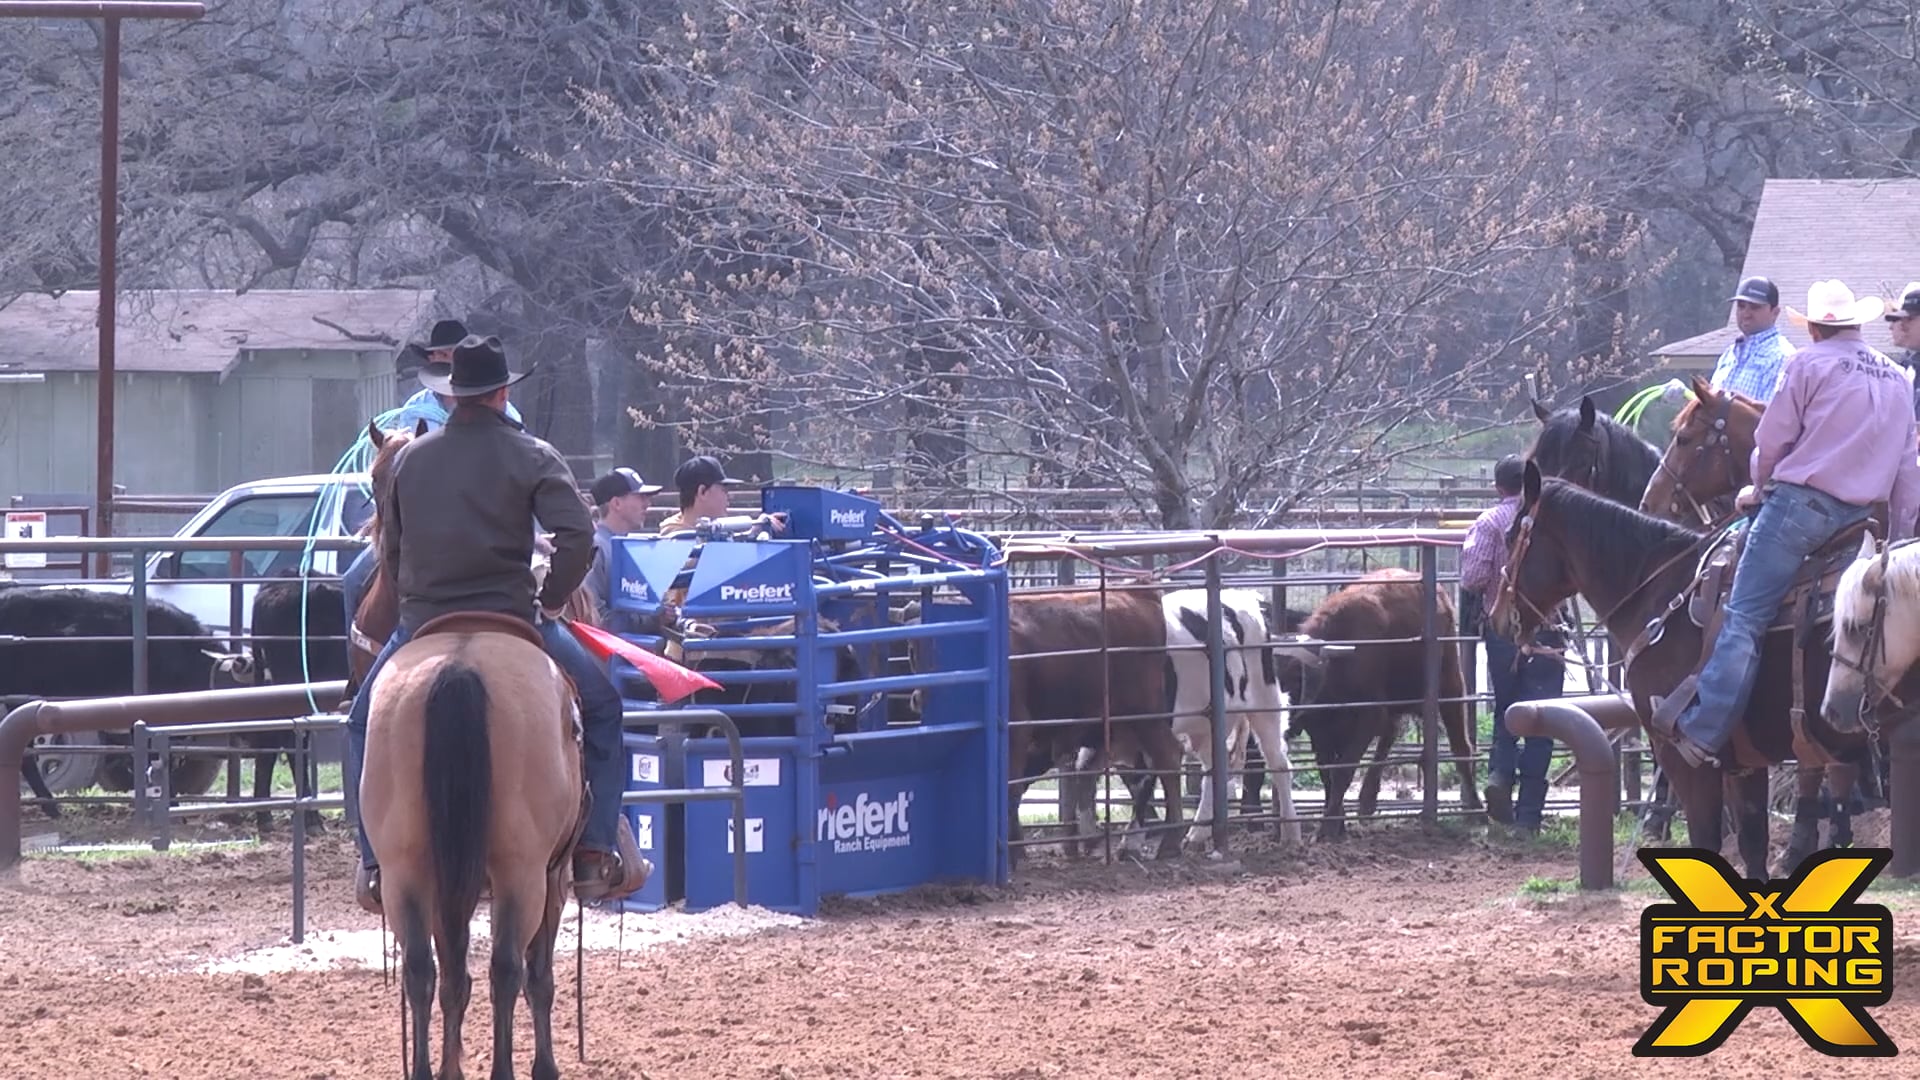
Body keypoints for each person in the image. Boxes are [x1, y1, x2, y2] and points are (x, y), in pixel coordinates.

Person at [343, 335, 648, 915]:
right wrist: (552, 600)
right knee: (604, 708)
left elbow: (393, 551)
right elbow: (578, 537)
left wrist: (417, 601)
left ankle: (375, 859)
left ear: (453, 393)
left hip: (425, 619)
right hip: (512, 611)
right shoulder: (534, 455)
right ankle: (595, 848)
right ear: (502, 392)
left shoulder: (410, 460)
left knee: (361, 721)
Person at [1653, 279, 1920, 769]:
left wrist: (1758, 486)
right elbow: (1907, 470)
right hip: (1864, 521)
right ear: (1857, 325)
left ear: (1813, 328)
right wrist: (1899, 540)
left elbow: (1771, 440)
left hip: (1799, 510)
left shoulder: (1806, 364)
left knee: (1745, 614)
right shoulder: (1897, 379)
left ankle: (1704, 730)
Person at [339, 319, 527, 639]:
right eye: (434, 355)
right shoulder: (416, 409)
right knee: (353, 580)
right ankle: (356, 657)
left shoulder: (509, 416)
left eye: (445, 355)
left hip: (488, 523)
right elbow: (402, 464)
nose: (438, 360)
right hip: (418, 523)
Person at [1458, 454, 1563, 831]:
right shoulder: (1550, 520)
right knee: (1544, 719)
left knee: (1507, 708)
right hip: (1548, 629)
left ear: (1497, 486)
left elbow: (1472, 577)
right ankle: (1529, 817)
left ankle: (1500, 776)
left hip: (1503, 629)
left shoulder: (1488, 522)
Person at [587, 467, 665, 630]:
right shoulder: (595, 547)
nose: (647, 504)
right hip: (609, 645)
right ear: (616, 503)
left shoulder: (628, 547)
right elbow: (592, 615)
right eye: (640, 497)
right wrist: (652, 619)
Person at [1707, 276, 1793, 404]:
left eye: (1755, 307)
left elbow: (1773, 413)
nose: (1746, 314)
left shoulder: (1782, 357)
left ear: (1775, 313)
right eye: (1741, 306)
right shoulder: (1729, 355)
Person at [657, 455, 745, 534]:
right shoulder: (677, 541)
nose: (729, 496)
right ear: (702, 492)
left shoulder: (671, 539)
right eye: (724, 490)